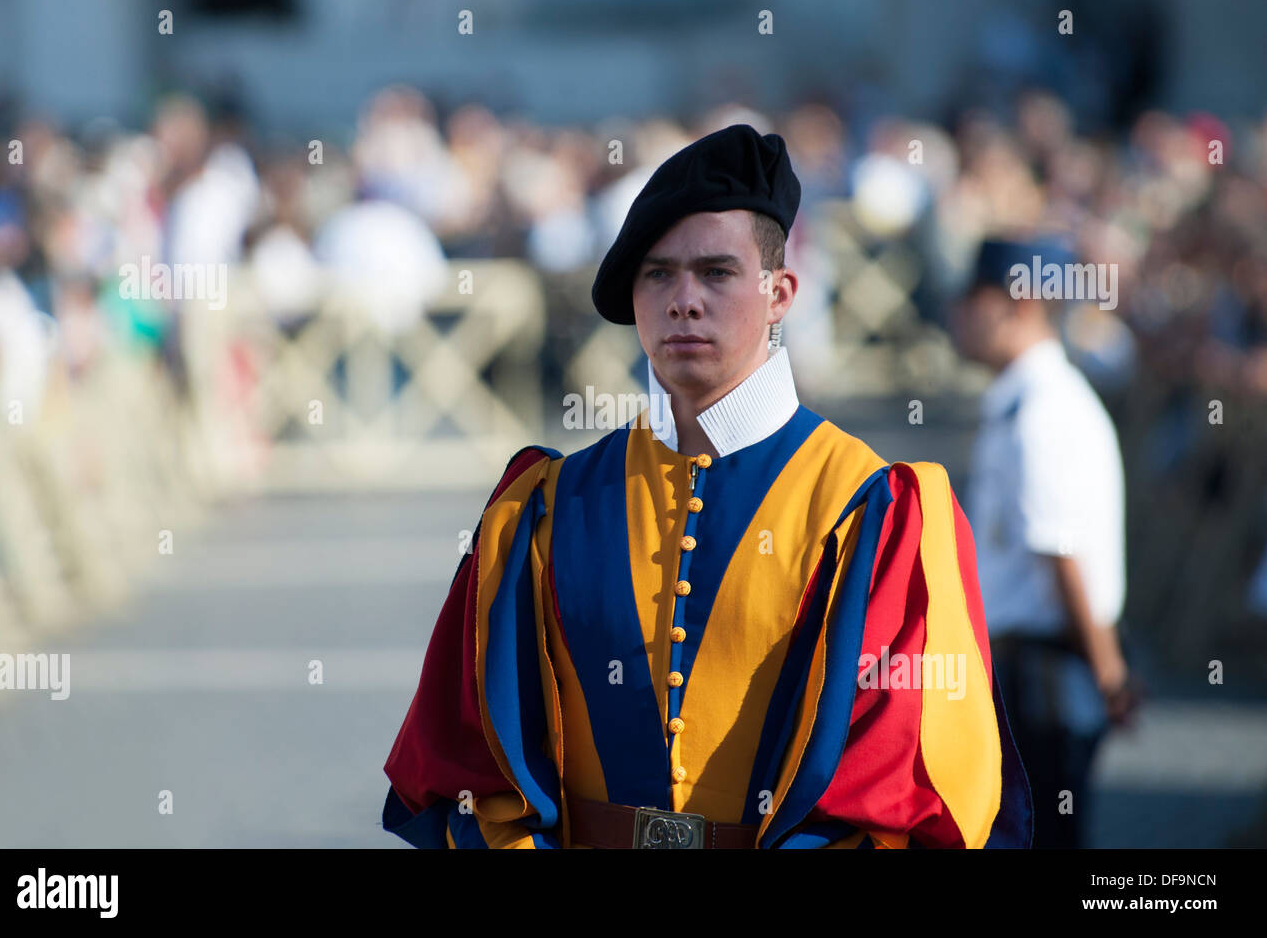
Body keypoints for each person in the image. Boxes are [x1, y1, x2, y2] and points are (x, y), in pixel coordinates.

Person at [381, 124, 1032, 849]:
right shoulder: (546, 505)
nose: (683, 301)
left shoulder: (874, 509)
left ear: (781, 292)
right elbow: (480, 765)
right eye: (658, 275)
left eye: (717, 273)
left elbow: (890, 783)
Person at [950, 237, 1141, 849]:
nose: (961, 314)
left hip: (1050, 669)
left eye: (977, 298)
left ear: (1022, 303)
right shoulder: (1024, 401)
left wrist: (1110, 674)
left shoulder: (1043, 410)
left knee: (1045, 835)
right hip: (1035, 666)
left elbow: (1061, 554)